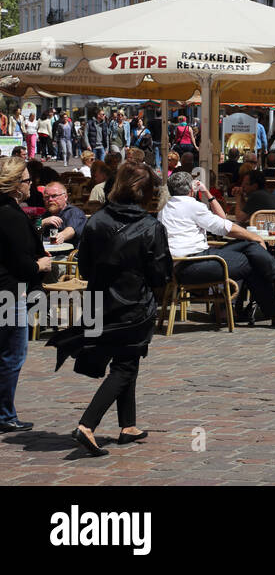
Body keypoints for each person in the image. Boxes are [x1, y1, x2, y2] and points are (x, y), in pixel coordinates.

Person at [52, 163, 172, 457]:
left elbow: (86, 266)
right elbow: (160, 275)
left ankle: (128, 425)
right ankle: (87, 425)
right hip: (133, 304)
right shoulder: (150, 226)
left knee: (126, 358)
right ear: (145, 193)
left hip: (99, 301)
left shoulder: (97, 220)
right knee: (126, 365)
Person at [157, 171, 275, 328]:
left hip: (179, 267)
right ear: (192, 189)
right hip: (194, 264)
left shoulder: (165, 209)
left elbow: (223, 222)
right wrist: (255, 237)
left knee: (250, 248)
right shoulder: (191, 205)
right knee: (252, 259)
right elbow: (225, 227)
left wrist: (207, 193)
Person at [0, 156, 54, 433]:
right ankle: (5, 414)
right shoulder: (9, 214)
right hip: (10, 293)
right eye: (26, 180)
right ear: (14, 184)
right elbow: (18, 260)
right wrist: (39, 265)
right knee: (13, 354)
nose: (30, 184)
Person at [39, 181, 87, 248]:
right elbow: (31, 229)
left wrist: (61, 236)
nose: (50, 199)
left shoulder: (74, 212)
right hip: (45, 254)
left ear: (65, 197)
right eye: (47, 197)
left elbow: (71, 230)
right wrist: (42, 222)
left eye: (54, 196)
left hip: (66, 256)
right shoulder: (45, 215)